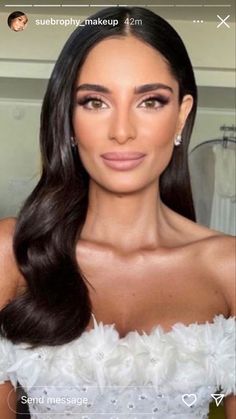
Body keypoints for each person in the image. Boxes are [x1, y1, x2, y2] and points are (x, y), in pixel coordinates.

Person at [0, 6, 235, 419]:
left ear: (181, 115)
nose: (122, 131)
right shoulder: (11, 254)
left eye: (150, 101)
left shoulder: (228, 268)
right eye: (94, 101)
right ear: (68, 120)